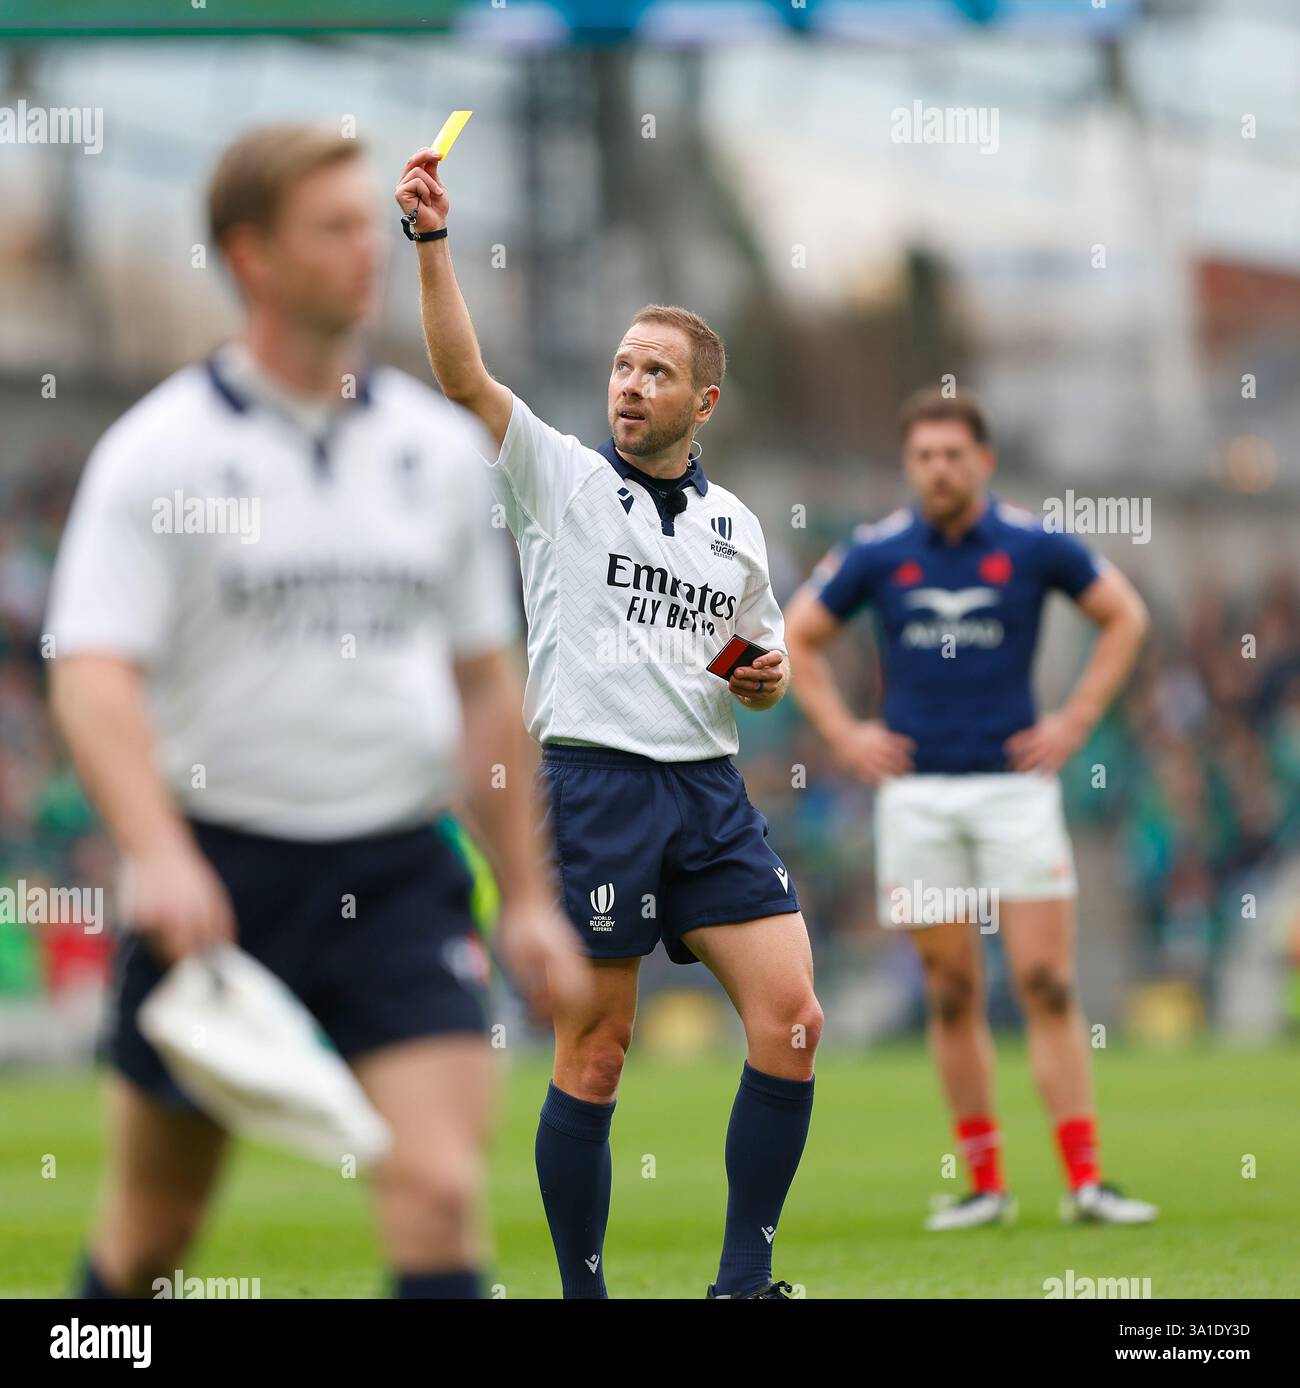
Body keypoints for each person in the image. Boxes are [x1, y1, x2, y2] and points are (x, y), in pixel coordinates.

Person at [46, 124, 585, 1300]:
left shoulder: (436, 453)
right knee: (150, 1235)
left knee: (438, 1191)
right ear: (251, 256)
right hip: (220, 885)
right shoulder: (159, 453)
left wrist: (531, 898)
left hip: (400, 872)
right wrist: (157, 851)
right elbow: (90, 674)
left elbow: (484, 685)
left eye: (367, 223)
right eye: (334, 228)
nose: (368, 249)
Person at [393, 144, 824, 1299]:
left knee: (792, 1021)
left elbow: (760, 662)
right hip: (592, 787)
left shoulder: (735, 525)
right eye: (622, 366)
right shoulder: (561, 480)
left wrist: (764, 682)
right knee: (597, 1049)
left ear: (703, 399)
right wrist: (432, 242)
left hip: (709, 795)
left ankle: (741, 1282)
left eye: (654, 371)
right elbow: (463, 373)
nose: (628, 384)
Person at [784, 387, 1158, 1228]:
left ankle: (1085, 1181)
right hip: (917, 799)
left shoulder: (1032, 544)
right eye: (923, 457)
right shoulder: (878, 553)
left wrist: (1075, 721)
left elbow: (1123, 616)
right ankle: (986, 1185)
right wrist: (846, 736)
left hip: (1013, 792)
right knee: (951, 989)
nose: (939, 469)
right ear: (908, 465)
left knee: (1045, 979)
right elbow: (798, 634)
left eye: (954, 454)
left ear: (983, 461)